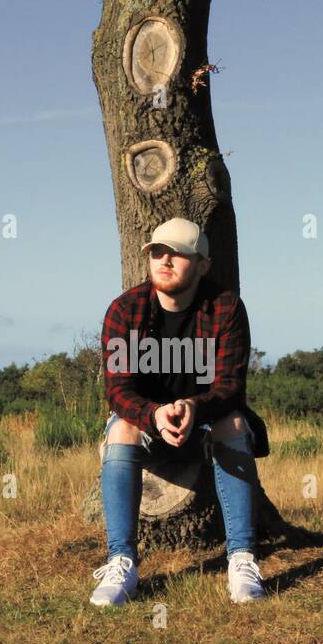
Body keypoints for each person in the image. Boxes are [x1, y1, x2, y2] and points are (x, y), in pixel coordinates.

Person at [92, 217, 270, 607]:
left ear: (203, 265)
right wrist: (153, 413)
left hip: (204, 424)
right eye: (158, 252)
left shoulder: (225, 308)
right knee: (119, 428)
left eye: (178, 254)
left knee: (235, 421)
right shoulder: (125, 309)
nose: (165, 261)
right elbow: (117, 390)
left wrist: (193, 406)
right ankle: (121, 562)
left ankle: (241, 559)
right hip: (146, 423)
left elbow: (230, 387)